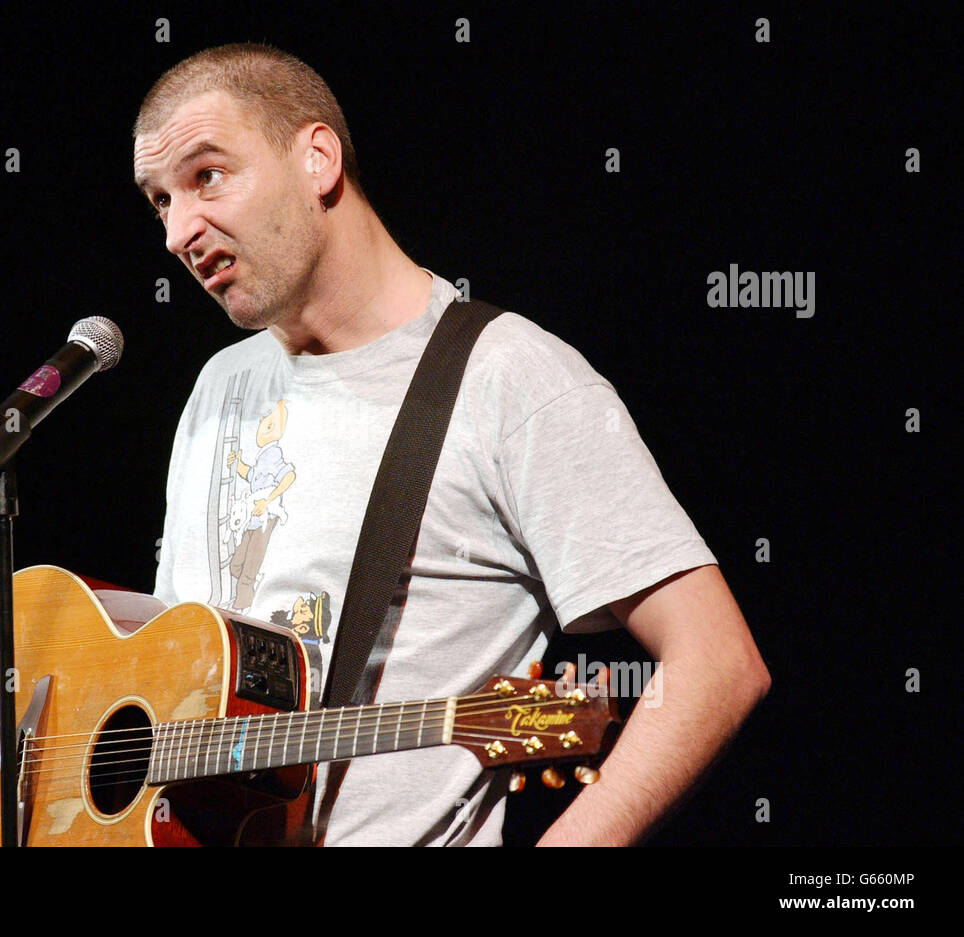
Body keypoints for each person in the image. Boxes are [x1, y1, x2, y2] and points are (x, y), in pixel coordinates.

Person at [134, 43, 770, 846]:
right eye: (159, 202)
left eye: (206, 177)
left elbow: (716, 662)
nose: (177, 231)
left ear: (317, 158)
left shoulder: (509, 378)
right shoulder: (217, 389)